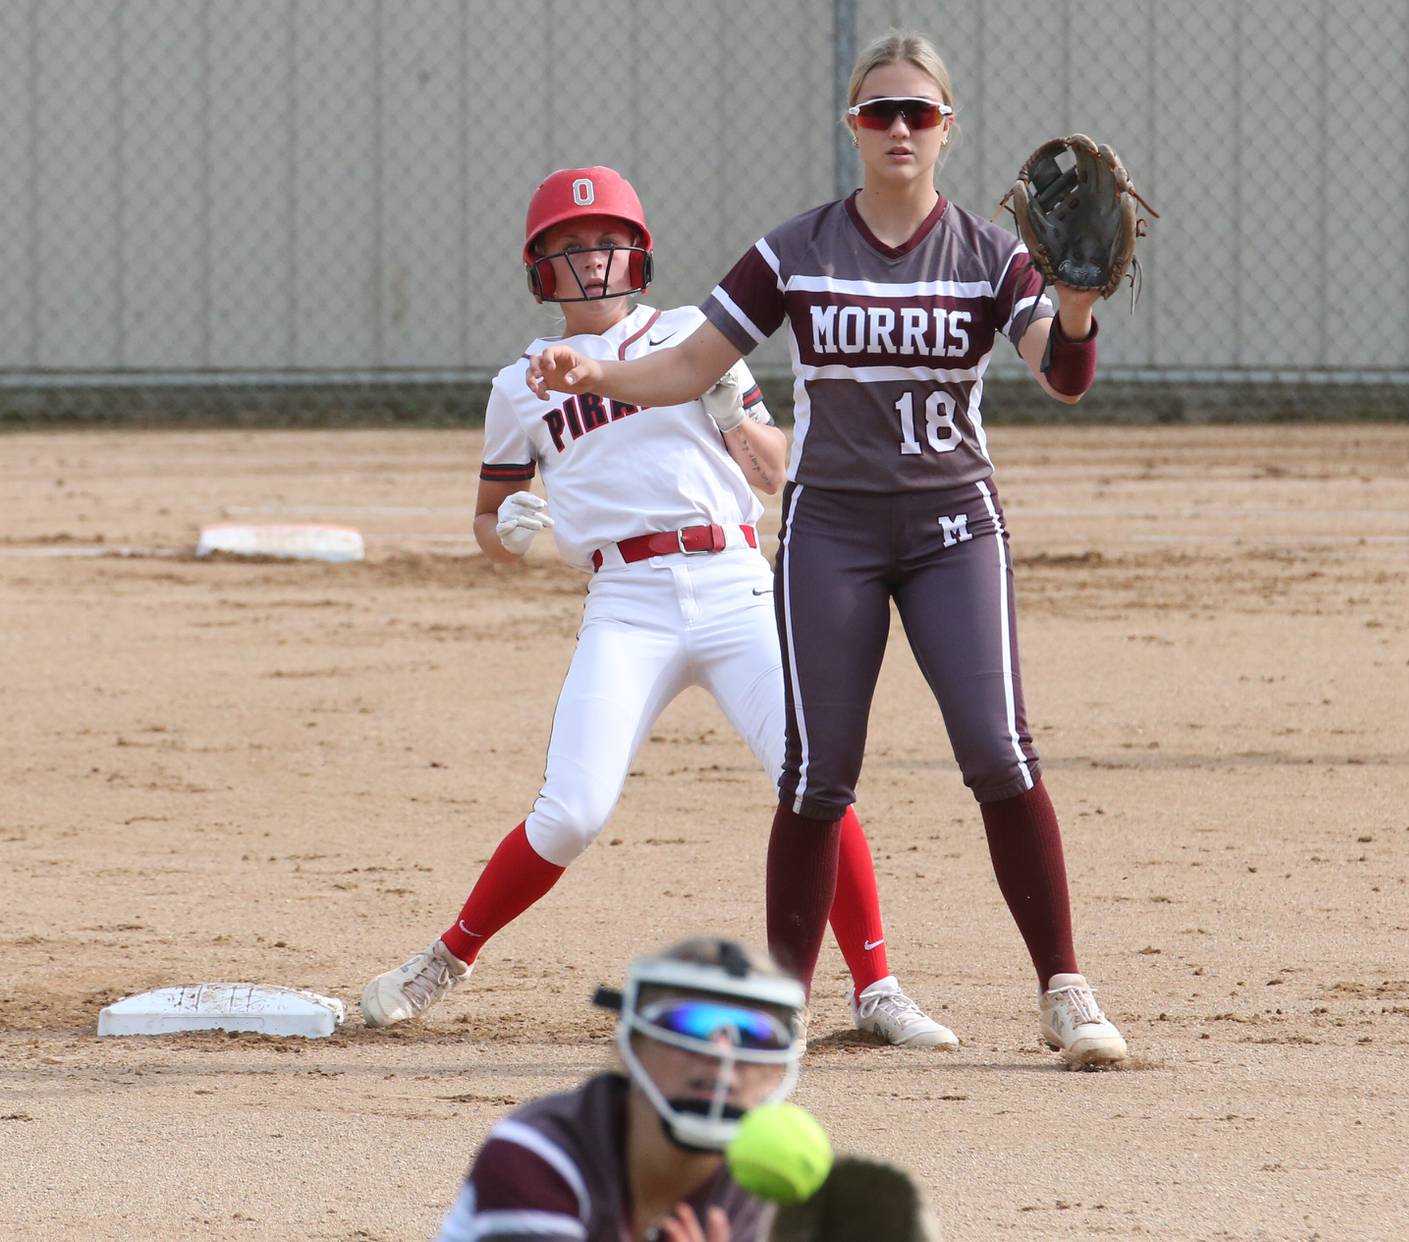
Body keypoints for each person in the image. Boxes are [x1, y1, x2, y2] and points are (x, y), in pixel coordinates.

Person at [527, 33, 1126, 1066]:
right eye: (879, 112)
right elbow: (686, 367)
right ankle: (782, 1010)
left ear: (948, 129)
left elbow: (1061, 377)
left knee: (998, 749)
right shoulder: (793, 250)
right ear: (852, 128)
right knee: (816, 773)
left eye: (919, 113)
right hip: (832, 529)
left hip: (952, 528)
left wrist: (1073, 305)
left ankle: (1064, 992)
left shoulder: (991, 255)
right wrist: (592, 375)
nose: (899, 128)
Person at [360, 165, 954, 1051]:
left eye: (604, 242)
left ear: (636, 253)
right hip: (626, 601)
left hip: (732, 581)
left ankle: (878, 987)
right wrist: (507, 533)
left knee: (814, 779)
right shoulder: (519, 385)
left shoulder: (690, 336)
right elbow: (489, 522)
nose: (590, 260)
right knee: (572, 813)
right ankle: (449, 954)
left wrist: (736, 418)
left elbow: (782, 473)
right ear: (538, 267)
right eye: (568, 246)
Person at [436, 937, 804, 1242]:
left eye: (755, 1034)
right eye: (689, 1023)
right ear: (634, 1045)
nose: (719, 1053)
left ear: (775, 1069)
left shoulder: (766, 1184)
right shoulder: (539, 1154)